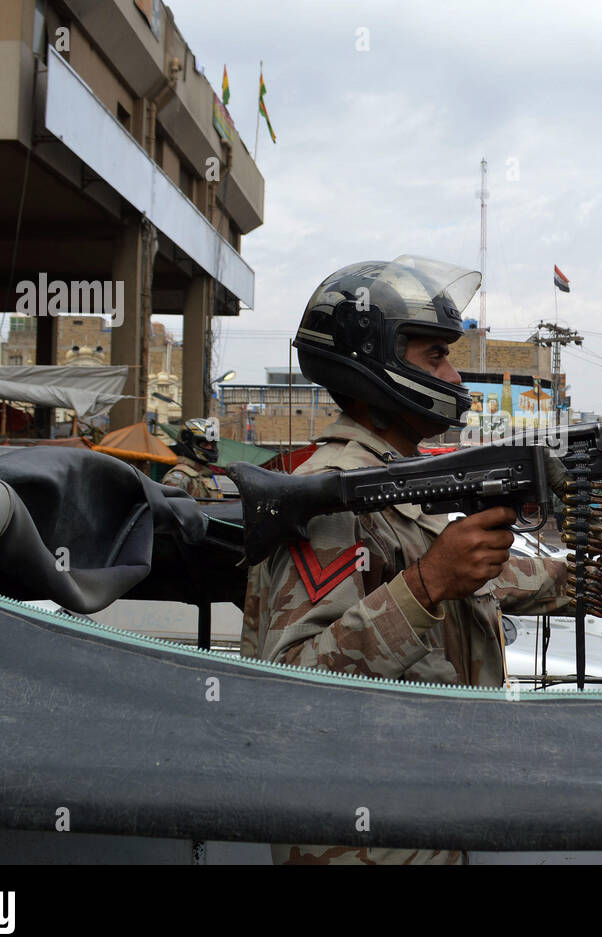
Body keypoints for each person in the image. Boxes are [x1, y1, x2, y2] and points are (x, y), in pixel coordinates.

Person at [241, 256, 573, 865]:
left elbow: (485, 578)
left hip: (421, 823)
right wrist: (425, 586)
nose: (453, 375)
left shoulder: (397, 483)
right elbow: (295, 689)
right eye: (435, 356)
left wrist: (601, 575)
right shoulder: (330, 496)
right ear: (377, 365)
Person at [161, 418, 223, 499]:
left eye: (212, 444)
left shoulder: (206, 474)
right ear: (188, 443)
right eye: (205, 444)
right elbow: (170, 510)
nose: (210, 448)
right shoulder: (178, 478)